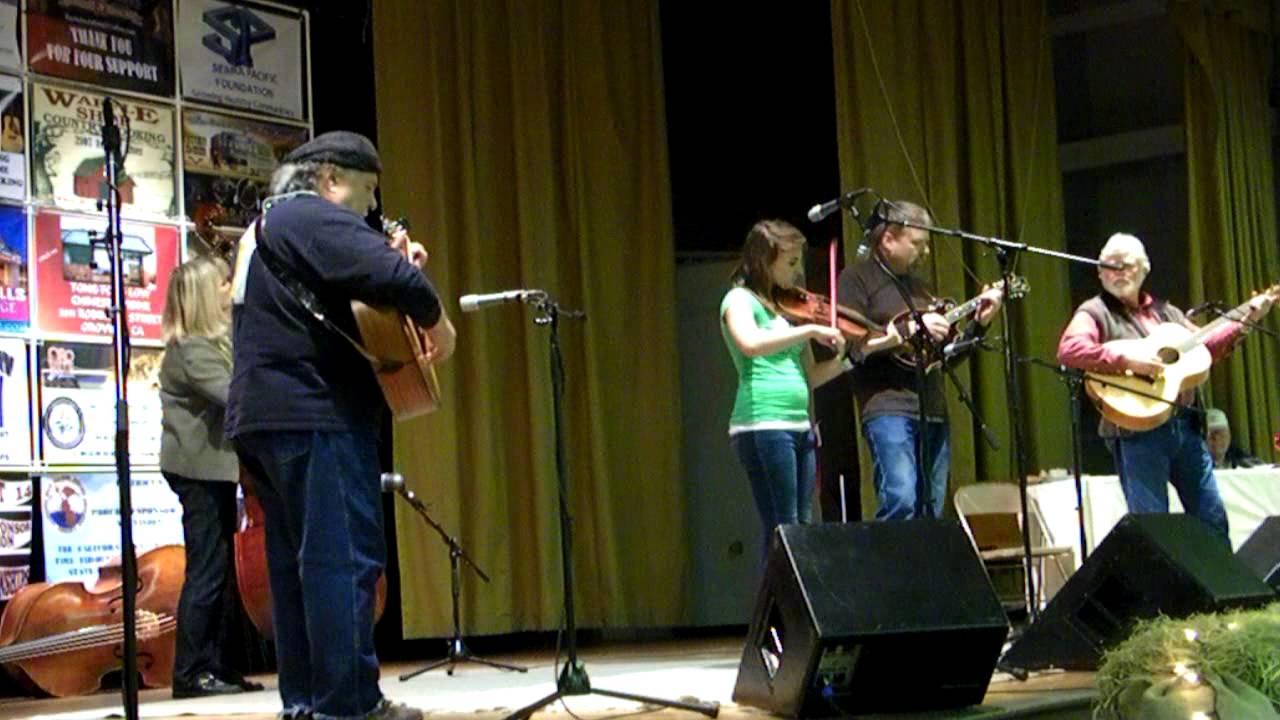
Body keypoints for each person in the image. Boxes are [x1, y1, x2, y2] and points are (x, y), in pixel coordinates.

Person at [226, 131, 456, 720]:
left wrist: (383, 255)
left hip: (262, 417)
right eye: (367, 192)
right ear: (331, 180)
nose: (370, 208)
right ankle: (350, 703)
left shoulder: (266, 228)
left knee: (297, 571)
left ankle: (305, 701)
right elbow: (402, 284)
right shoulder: (313, 217)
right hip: (316, 413)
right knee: (342, 560)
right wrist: (437, 324)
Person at [1057, 233, 1272, 541]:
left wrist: (1245, 321)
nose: (1116, 272)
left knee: (1212, 520)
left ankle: (1219, 589)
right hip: (1136, 434)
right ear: (1100, 273)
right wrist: (1128, 359)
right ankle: (1166, 591)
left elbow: (1205, 347)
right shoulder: (1094, 311)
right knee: (1155, 529)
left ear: (1143, 269)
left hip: (1185, 427)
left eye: (1124, 265)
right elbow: (1070, 349)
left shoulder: (1166, 313)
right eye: (1108, 266)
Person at [838, 200, 1002, 520]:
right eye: (917, 243)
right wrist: (908, 329)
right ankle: (893, 570)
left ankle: (924, 569)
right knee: (900, 498)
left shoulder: (922, 290)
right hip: (887, 406)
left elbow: (945, 359)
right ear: (888, 240)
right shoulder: (857, 280)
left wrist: (979, 323)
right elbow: (851, 345)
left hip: (932, 406)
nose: (925, 253)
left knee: (931, 506)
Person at [160, 255, 264, 698]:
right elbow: (233, 395)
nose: (231, 289)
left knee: (219, 571)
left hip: (213, 471)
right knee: (206, 571)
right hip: (197, 472)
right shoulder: (191, 350)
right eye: (224, 283)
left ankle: (219, 667)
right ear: (205, 294)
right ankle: (191, 673)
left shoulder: (213, 344)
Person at [721, 220, 849, 554]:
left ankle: (789, 605)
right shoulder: (738, 300)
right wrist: (808, 332)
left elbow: (809, 376)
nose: (799, 271)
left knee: (802, 524)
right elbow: (750, 343)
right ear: (765, 261)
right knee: (784, 528)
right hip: (763, 423)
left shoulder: (787, 312)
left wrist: (849, 360)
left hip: (798, 424)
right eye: (791, 262)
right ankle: (775, 607)